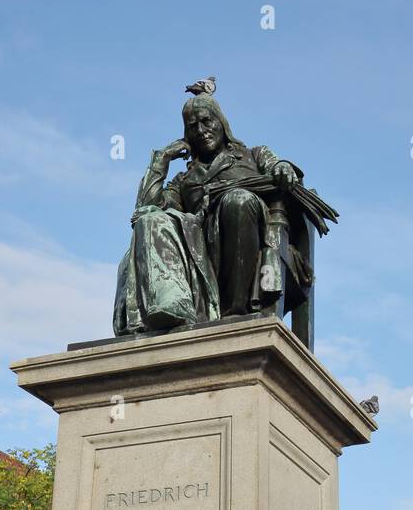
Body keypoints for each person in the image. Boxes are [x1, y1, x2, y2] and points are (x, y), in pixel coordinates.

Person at [113, 88, 312, 334]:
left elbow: (278, 166)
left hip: (245, 228)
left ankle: (234, 311)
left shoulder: (253, 155)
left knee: (237, 201)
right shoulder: (183, 180)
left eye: (207, 121)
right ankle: (175, 307)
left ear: (222, 123)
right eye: (193, 126)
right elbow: (145, 210)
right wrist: (160, 161)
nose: (201, 130)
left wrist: (282, 167)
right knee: (152, 221)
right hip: (198, 243)